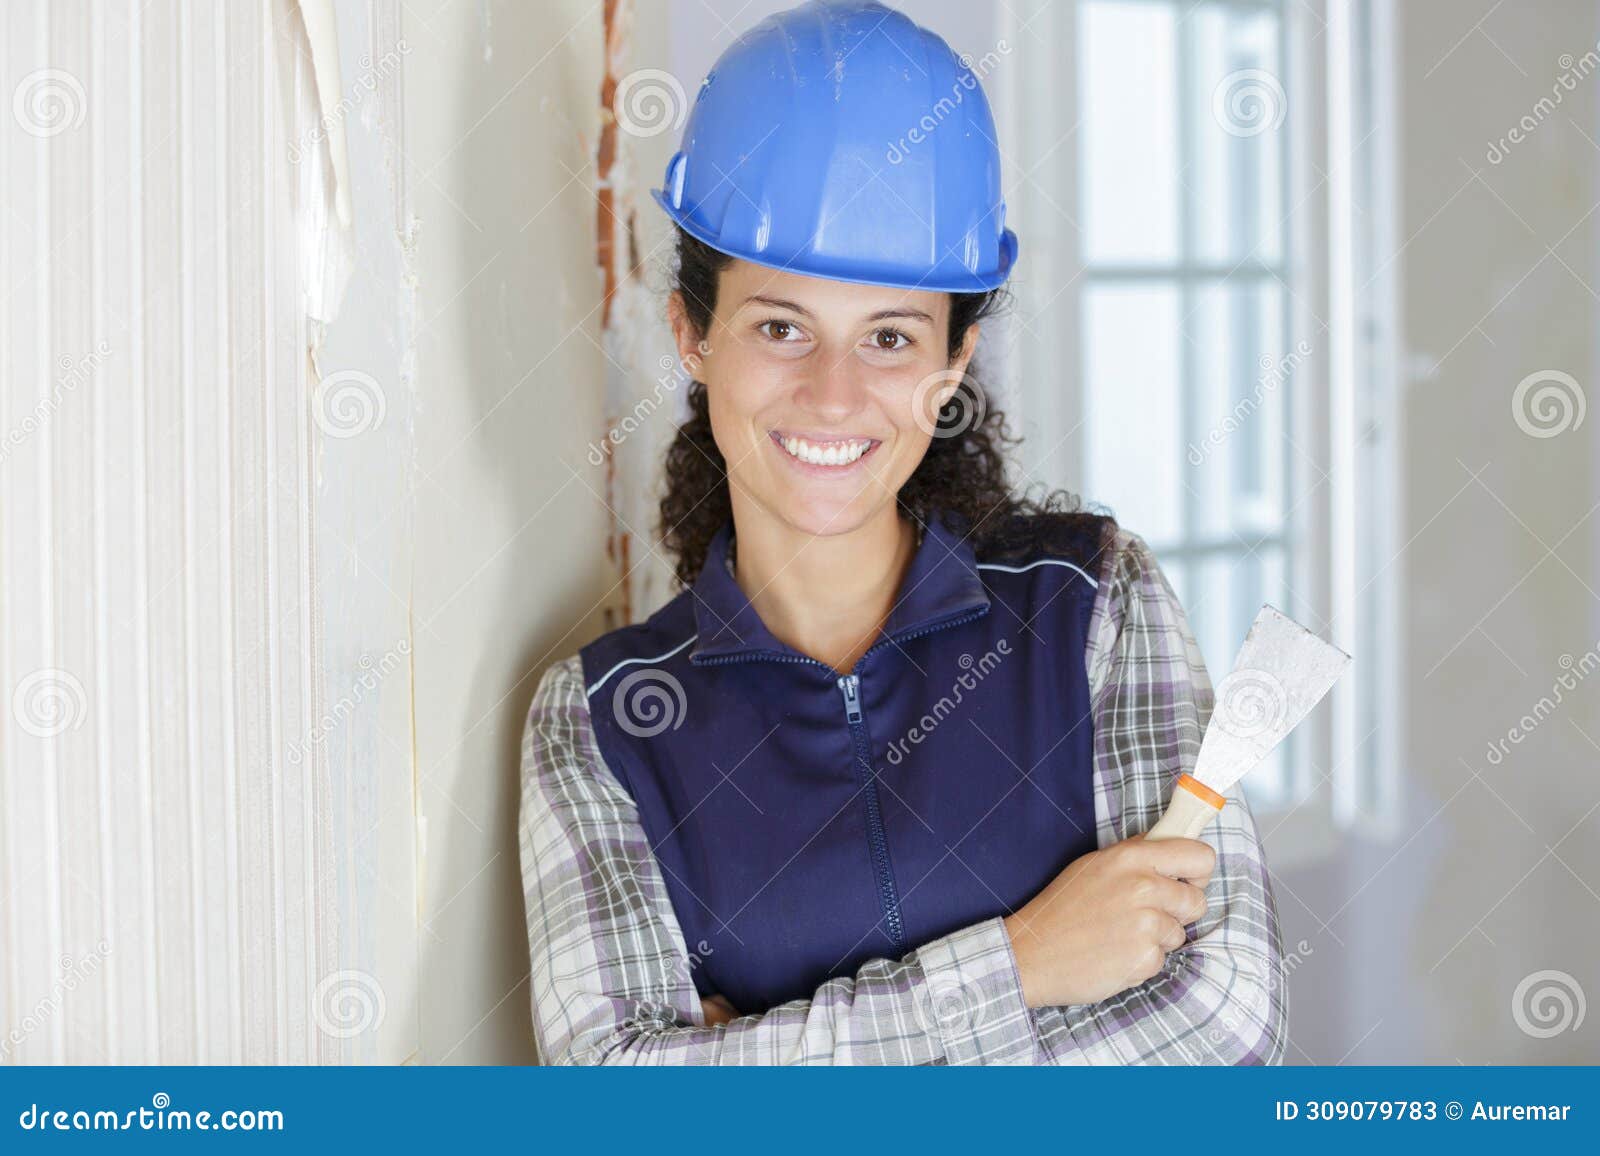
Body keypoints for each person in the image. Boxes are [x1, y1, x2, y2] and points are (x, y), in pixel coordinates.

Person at [519, 0, 1286, 1064]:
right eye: (780, 326)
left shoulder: (1092, 605)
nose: (834, 396)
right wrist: (1023, 964)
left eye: (889, 336)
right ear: (691, 332)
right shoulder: (602, 727)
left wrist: (765, 1056)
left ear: (952, 362)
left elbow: (1222, 1029)